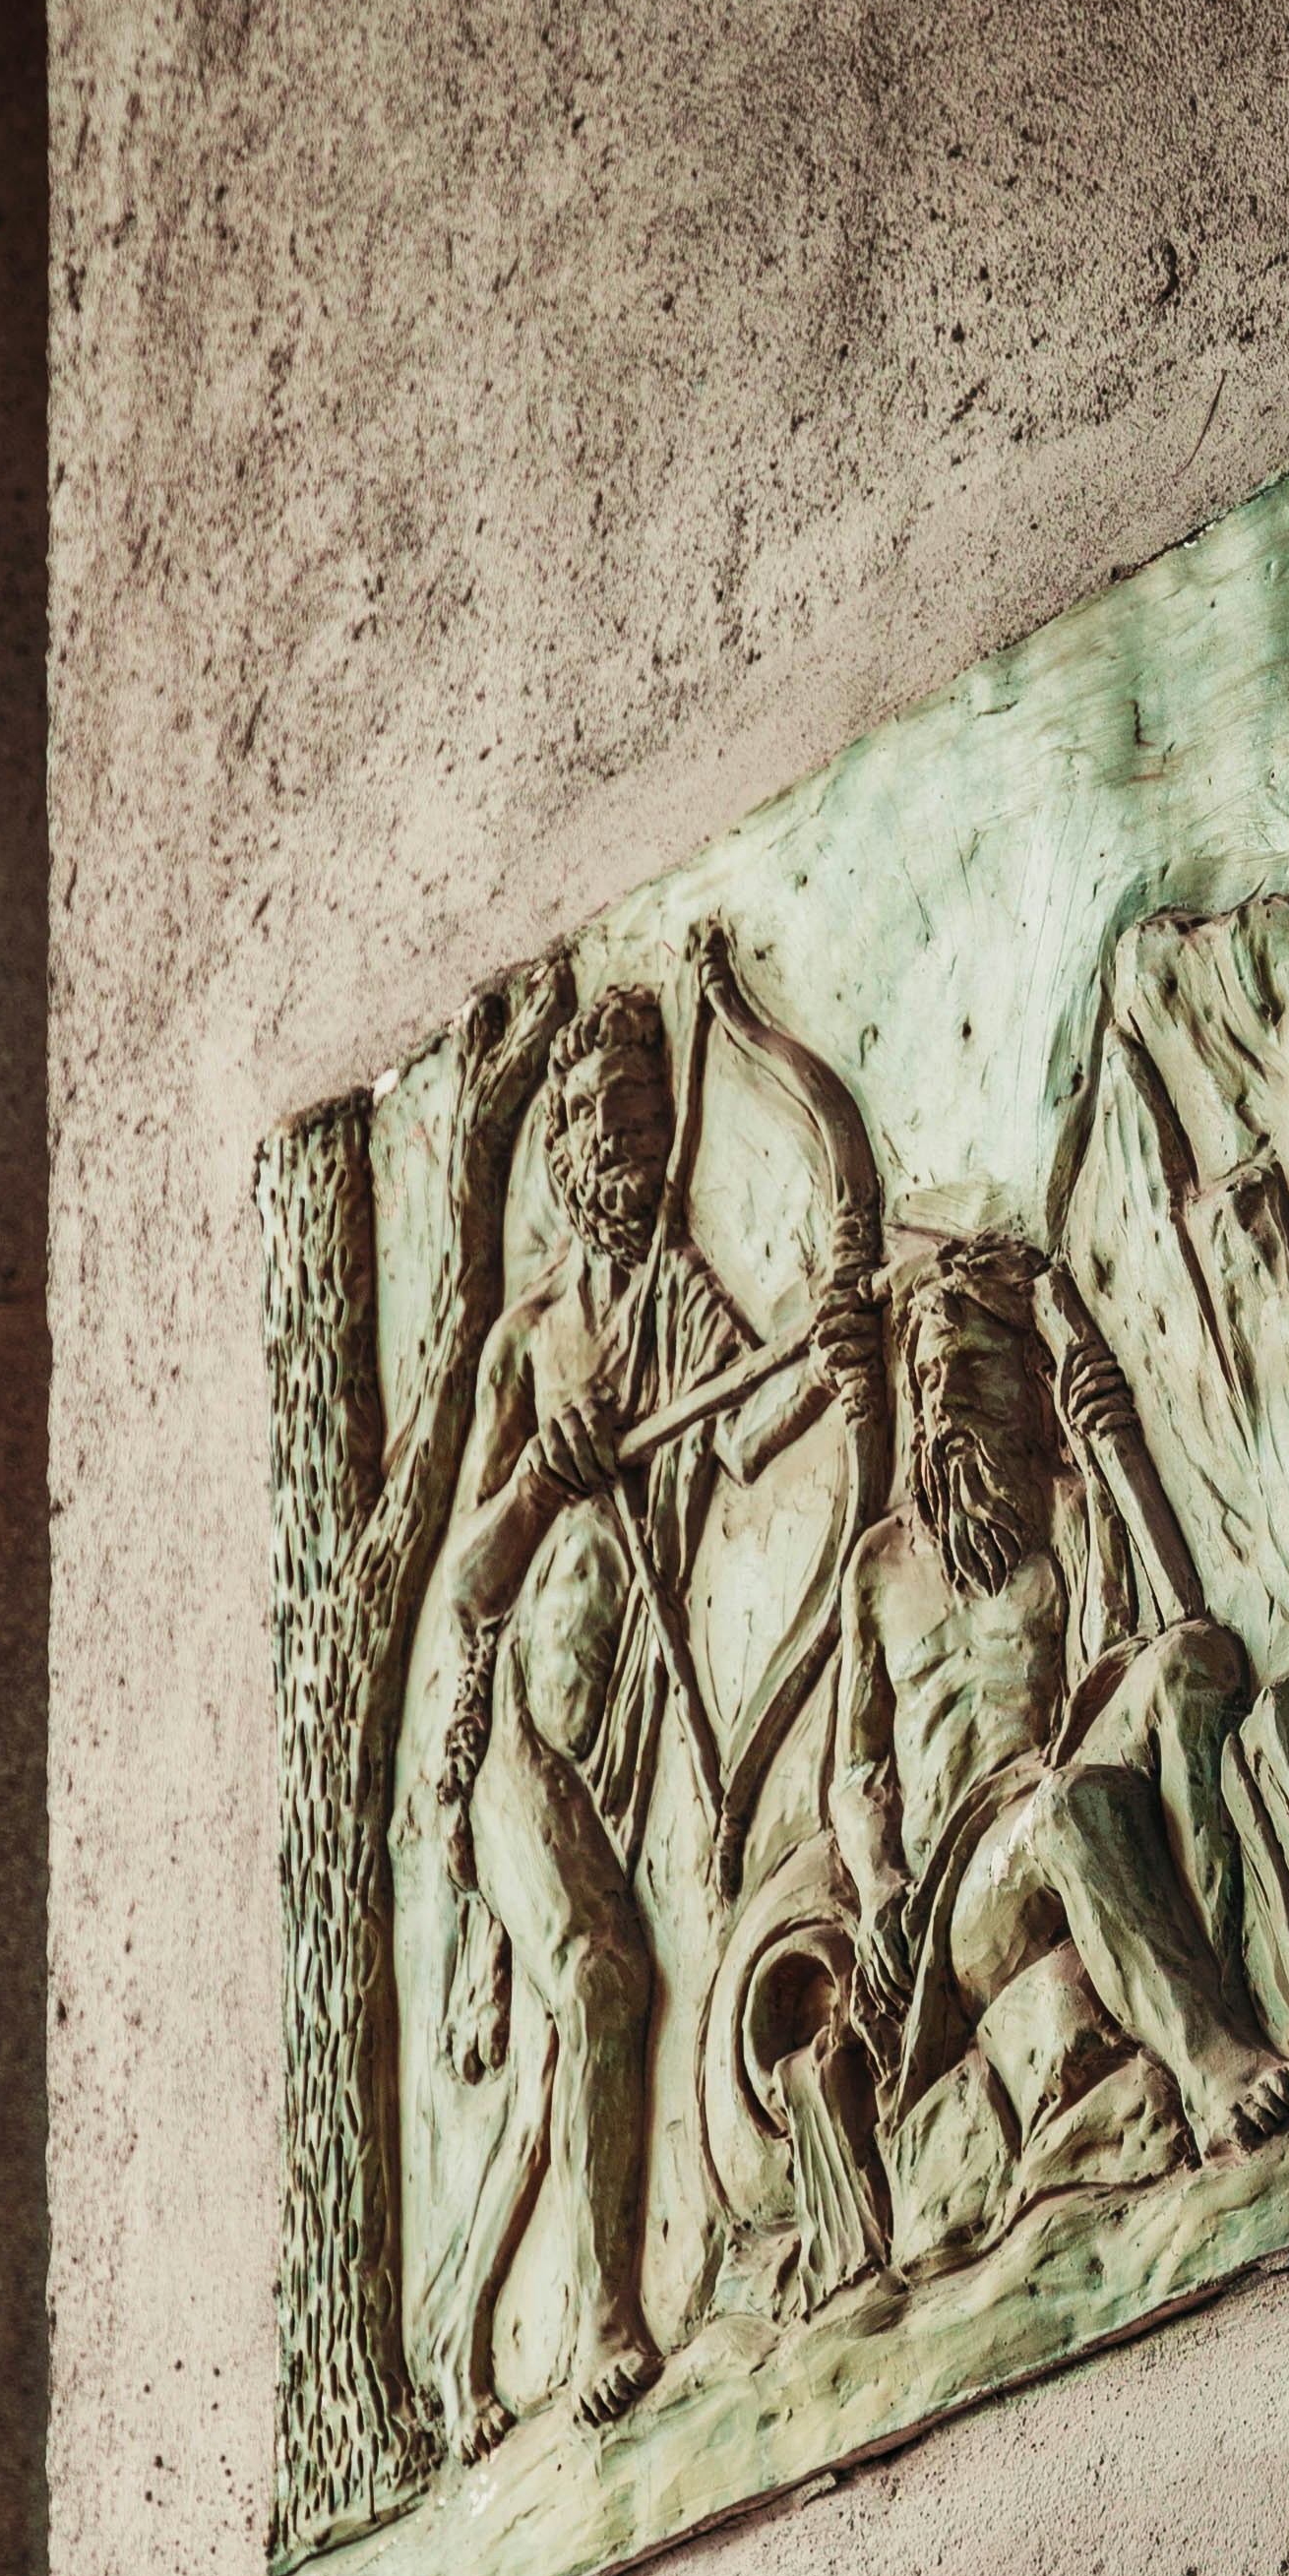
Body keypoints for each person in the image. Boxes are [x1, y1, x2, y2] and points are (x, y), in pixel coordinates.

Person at [411, 985, 870, 2447]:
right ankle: (610, 2313)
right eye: (602, 1112)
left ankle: (457, 2345)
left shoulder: (674, 1294)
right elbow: (466, 1583)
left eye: (648, 1109)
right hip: (520, 1735)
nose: (630, 1134)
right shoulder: (531, 1340)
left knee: (565, 2072)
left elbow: (741, 1429)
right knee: (608, 1983)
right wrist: (544, 1475)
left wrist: (824, 1345)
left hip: (625, 1738)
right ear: (558, 1141)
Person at [829, 1246, 1289, 2235]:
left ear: (1021, 1377)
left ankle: (1223, 1997)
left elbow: (1133, 1649)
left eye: (970, 1365)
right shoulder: (878, 1570)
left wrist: (1104, 1430)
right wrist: (877, 1885)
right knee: (1063, 1813)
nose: (944, 1396)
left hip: (1064, 1777)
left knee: (1192, 1661)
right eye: (926, 1374)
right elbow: (856, 1771)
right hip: (969, 1894)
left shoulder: (1065, 1502)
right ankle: (1212, 2066)